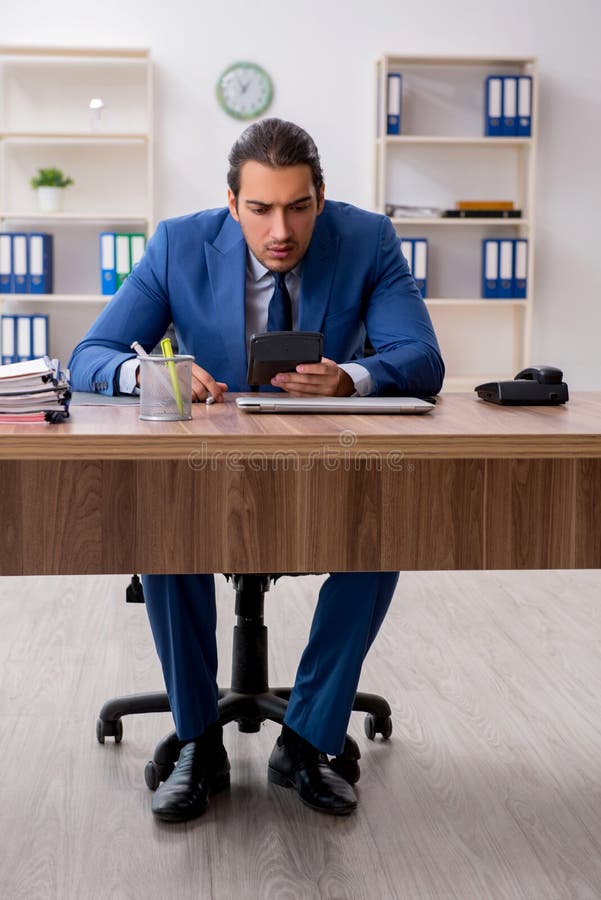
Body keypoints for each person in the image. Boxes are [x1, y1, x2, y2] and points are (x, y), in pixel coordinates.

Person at [69, 118, 444, 823]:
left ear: (321, 199)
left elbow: (421, 359)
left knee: (382, 539)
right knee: (165, 539)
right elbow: (91, 354)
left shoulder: (366, 240)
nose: (281, 229)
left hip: (327, 470)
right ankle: (196, 738)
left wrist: (354, 379)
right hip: (208, 474)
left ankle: (307, 738)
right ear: (231, 203)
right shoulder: (180, 244)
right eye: (261, 208)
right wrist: (153, 371)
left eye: (299, 207)